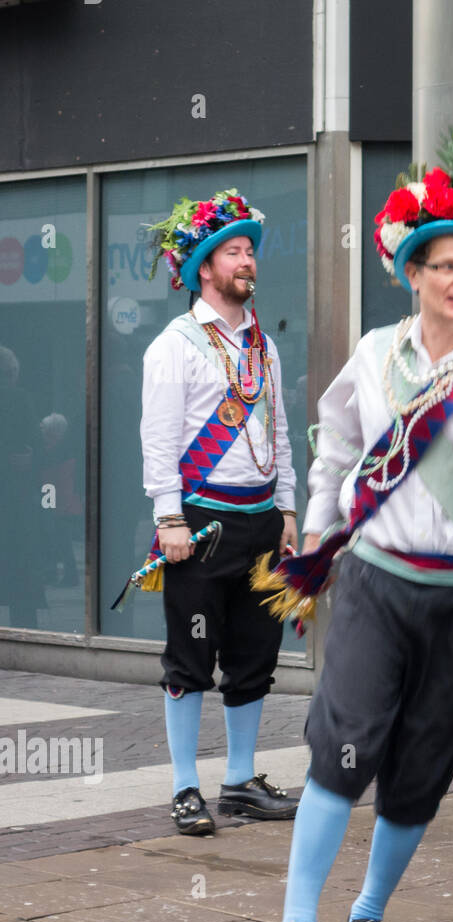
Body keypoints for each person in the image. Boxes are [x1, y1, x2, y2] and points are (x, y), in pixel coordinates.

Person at [263, 123, 453, 922]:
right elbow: (338, 449)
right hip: (377, 582)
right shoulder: (373, 356)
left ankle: (366, 919)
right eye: (447, 266)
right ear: (414, 272)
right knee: (341, 752)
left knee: (422, 768)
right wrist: (317, 537)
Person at [140, 190, 299, 836]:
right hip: (200, 524)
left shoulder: (264, 345)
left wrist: (287, 509)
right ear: (204, 266)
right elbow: (159, 439)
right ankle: (184, 787)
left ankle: (238, 781)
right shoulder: (173, 346)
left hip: (260, 521)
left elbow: (280, 429)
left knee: (254, 656)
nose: (247, 261)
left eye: (250, 251)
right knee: (189, 658)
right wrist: (168, 519)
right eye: (234, 251)